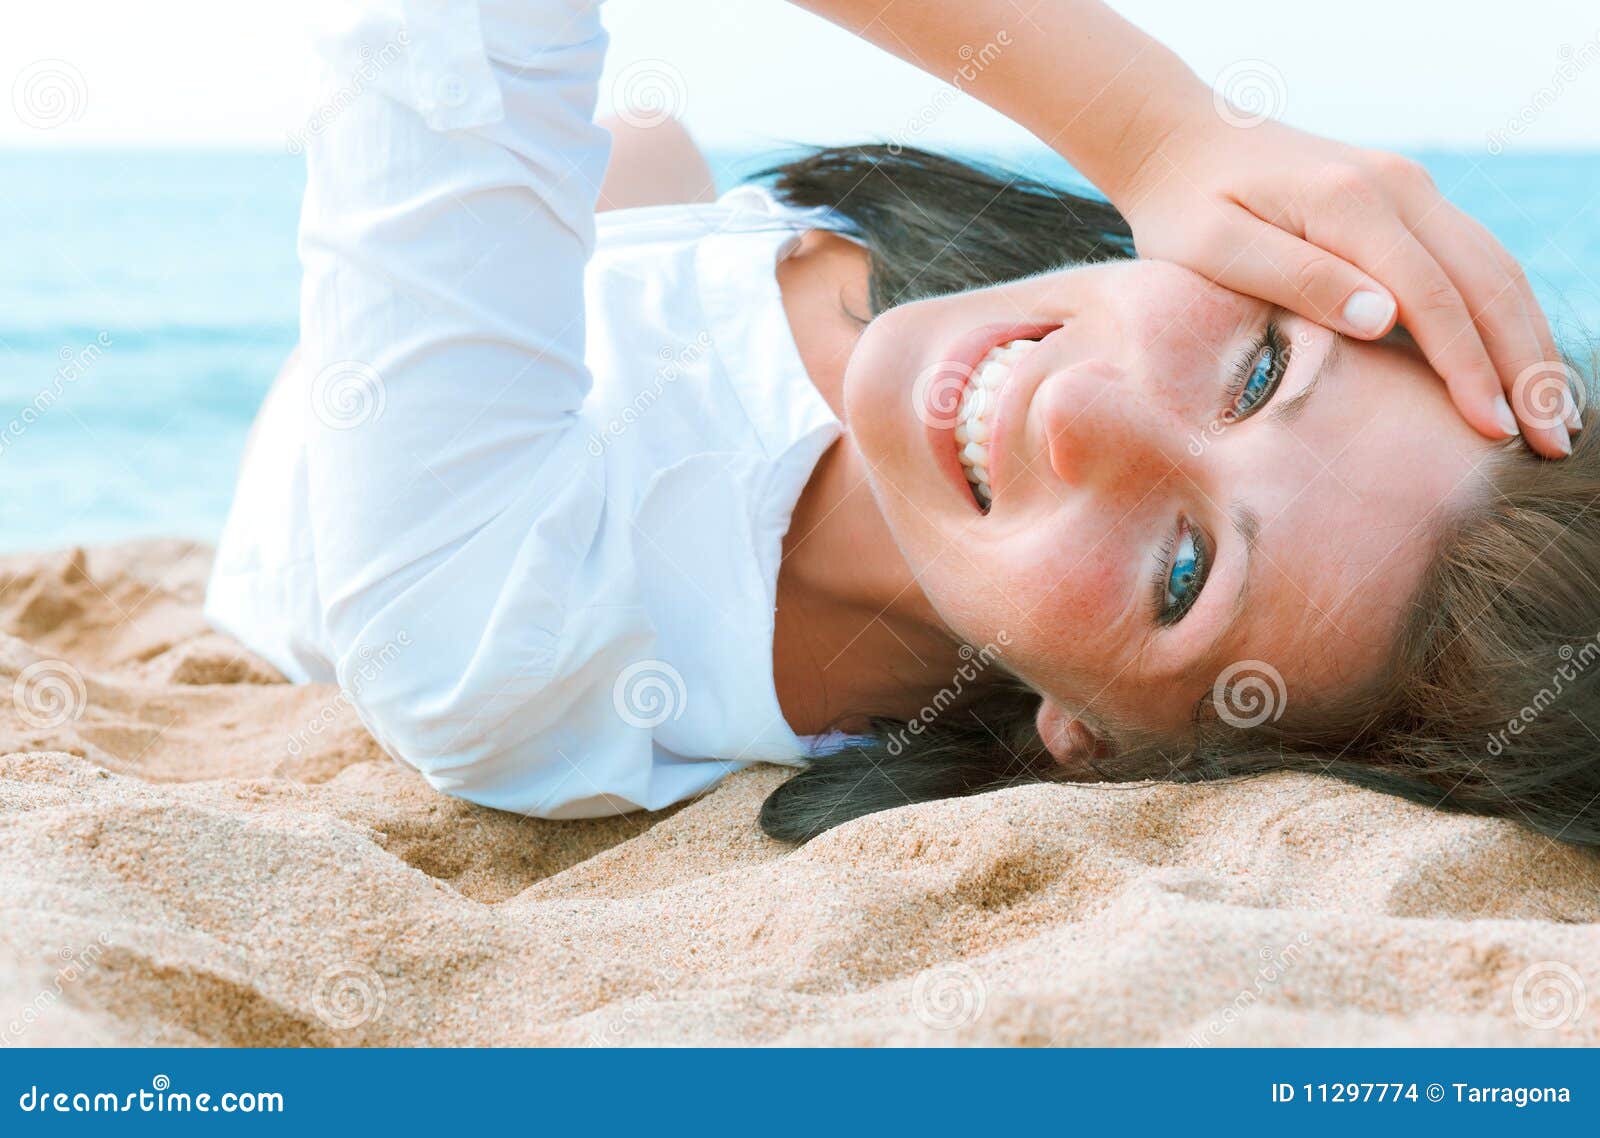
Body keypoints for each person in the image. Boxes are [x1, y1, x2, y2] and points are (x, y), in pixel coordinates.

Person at [207, 0, 1599, 847]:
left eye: (1185, 571)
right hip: (627, 248)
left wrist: (1157, 125)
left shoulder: (500, 639)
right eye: (1256, 369)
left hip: (361, 442)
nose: (1086, 409)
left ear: (1095, 740)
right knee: (641, 150)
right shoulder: (939, 271)